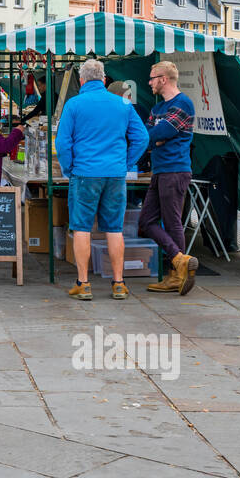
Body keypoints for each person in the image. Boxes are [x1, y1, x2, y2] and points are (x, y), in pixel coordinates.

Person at [55, 58, 149, 301]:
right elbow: (142, 138)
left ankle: (83, 283)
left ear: (82, 80)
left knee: (82, 227)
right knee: (114, 228)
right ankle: (119, 283)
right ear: (105, 79)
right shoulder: (123, 104)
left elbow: (63, 143)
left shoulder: (74, 104)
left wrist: (69, 168)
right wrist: (126, 163)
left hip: (85, 173)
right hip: (115, 174)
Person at [138, 60, 200, 296]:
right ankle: (179, 260)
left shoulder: (183, 103)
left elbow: (159, 133)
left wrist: (158, 138)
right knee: (146, 222)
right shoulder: (156, 109)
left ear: (163, 79)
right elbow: (148, 136)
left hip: (174, 170)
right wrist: (156, 139)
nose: (150, 83)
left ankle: (177, 275)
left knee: (173, 222)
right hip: (161, 170)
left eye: (152, 78)